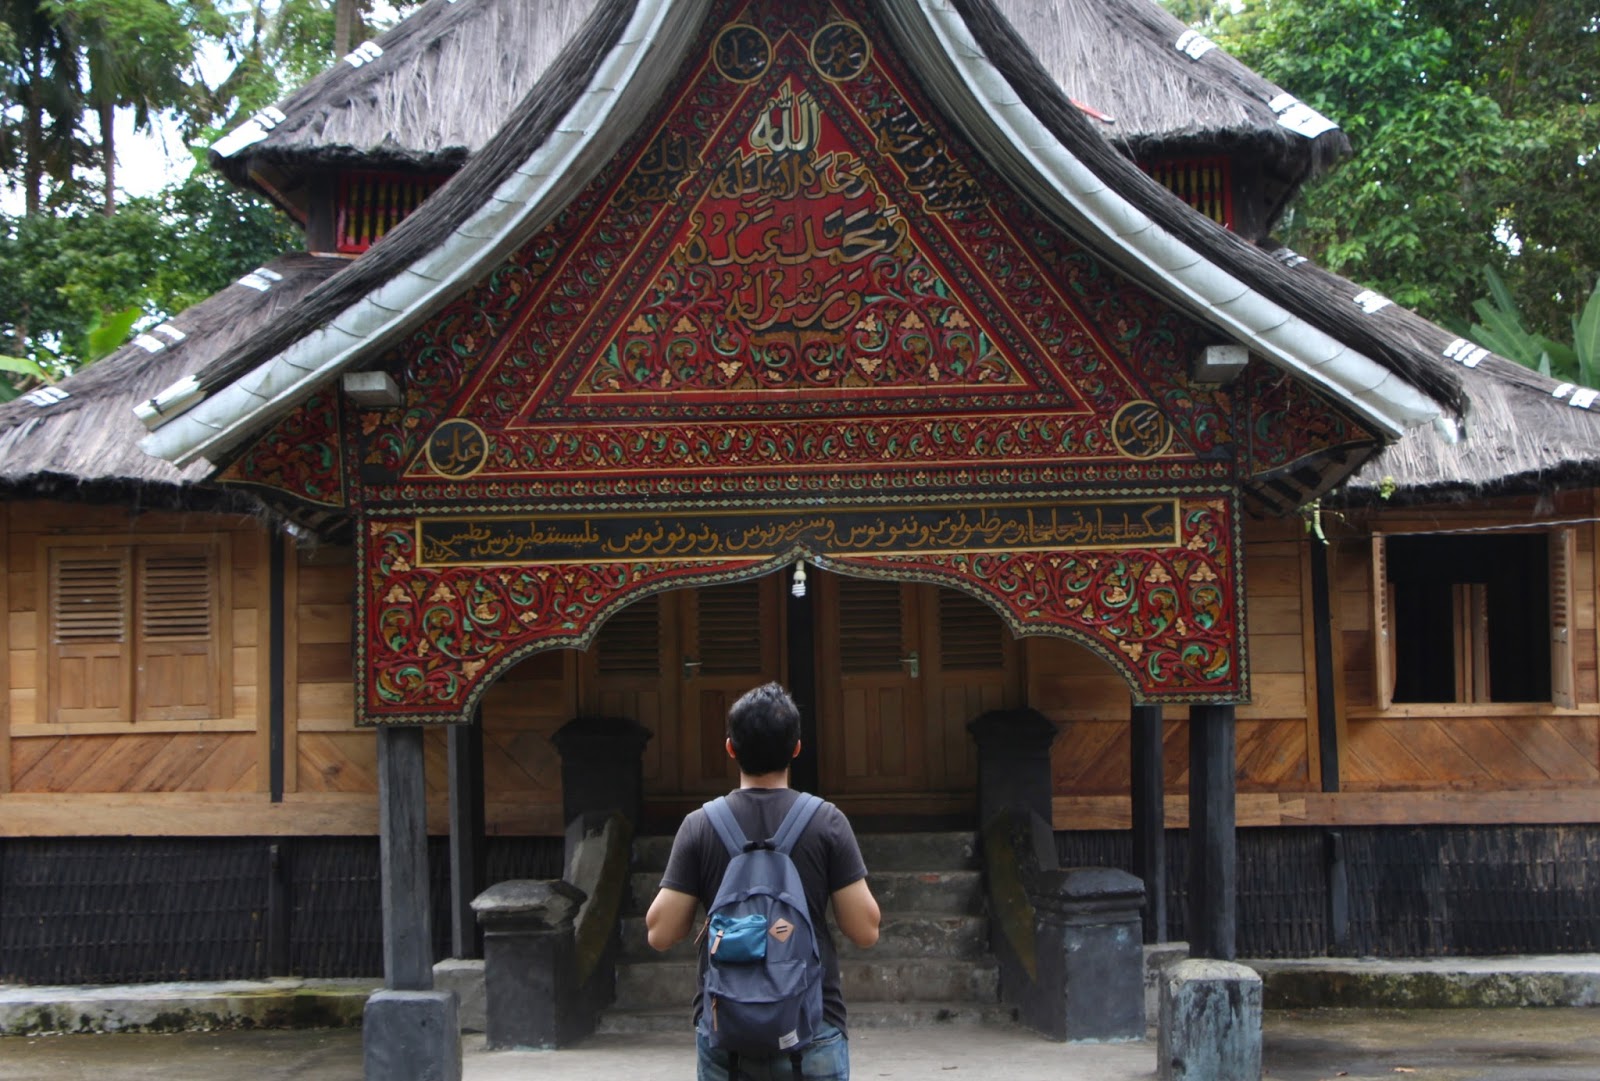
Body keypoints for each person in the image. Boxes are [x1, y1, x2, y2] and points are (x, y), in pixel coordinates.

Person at [646, 681, 881, 1080]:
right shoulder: (826, 822)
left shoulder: (700, 826)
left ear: (730, 749)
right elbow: (865, 930)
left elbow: (660, 933)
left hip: (726, 1032)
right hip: (812, 1026)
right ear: (796, 749)